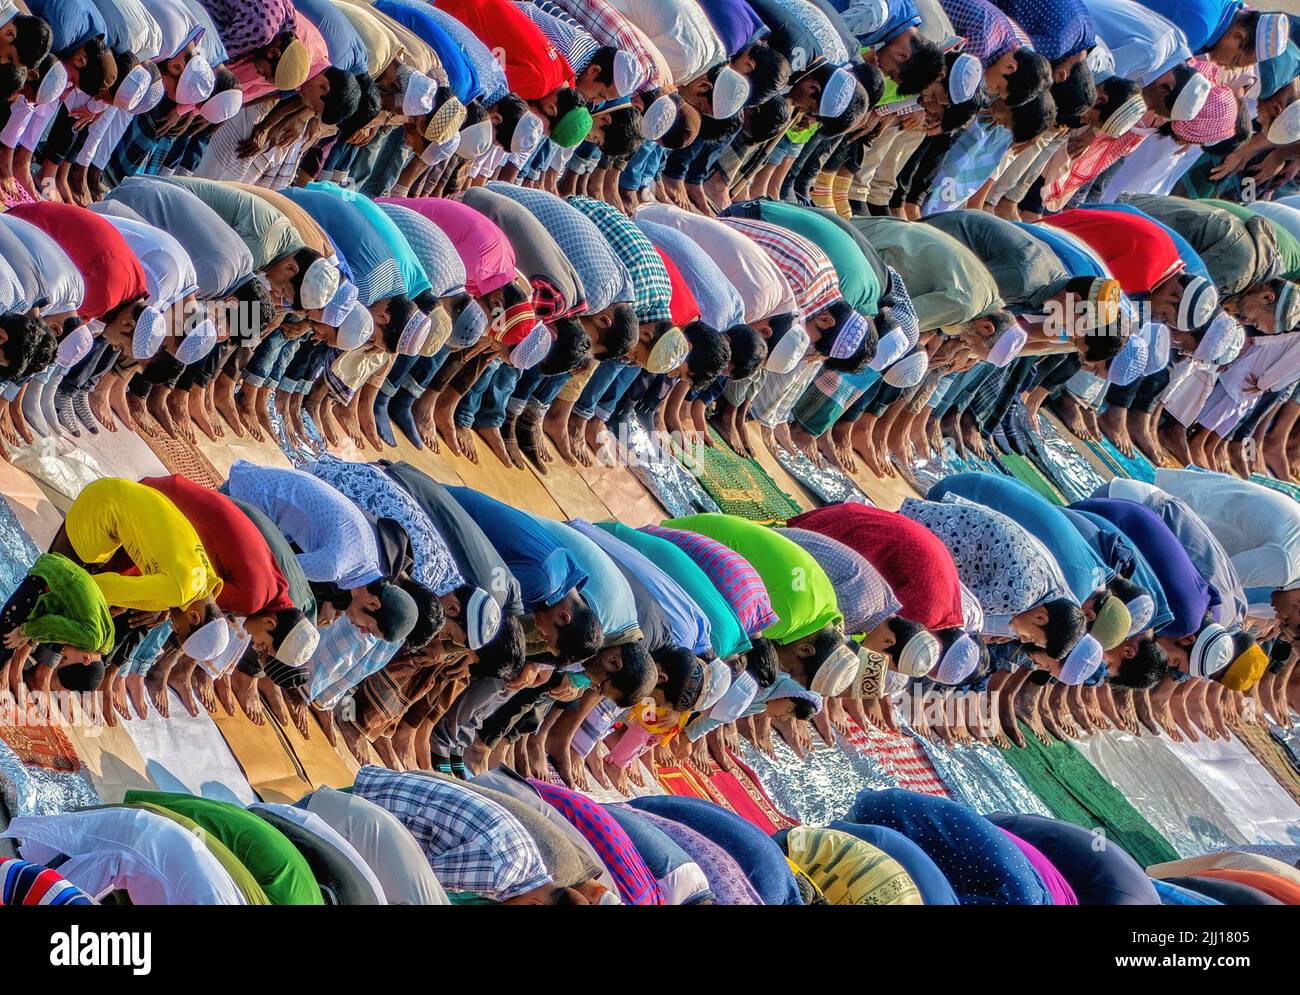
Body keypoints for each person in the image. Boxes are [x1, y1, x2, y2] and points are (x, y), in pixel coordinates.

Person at [350, 764, 588, 903]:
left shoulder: (530, 864)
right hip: (363, 806)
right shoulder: (500, 872)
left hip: (382, 790)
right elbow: (410, 882)